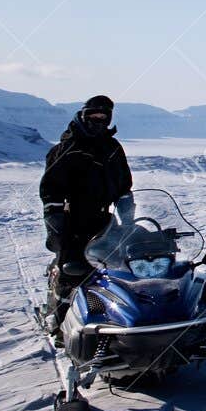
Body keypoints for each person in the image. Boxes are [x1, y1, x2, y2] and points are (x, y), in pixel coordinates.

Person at [39, 95, 135, 286]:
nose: (98, 120)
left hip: (104, 220)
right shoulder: (68, 147)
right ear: (84, 116)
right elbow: (51, 188)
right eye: (93, 116)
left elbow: (124, 184)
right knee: (72, 271)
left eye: (103, 117)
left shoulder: (112, 147)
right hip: (73, 221)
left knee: (124, 266)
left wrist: (128, 220)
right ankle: (60, 301)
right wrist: (55, 225)